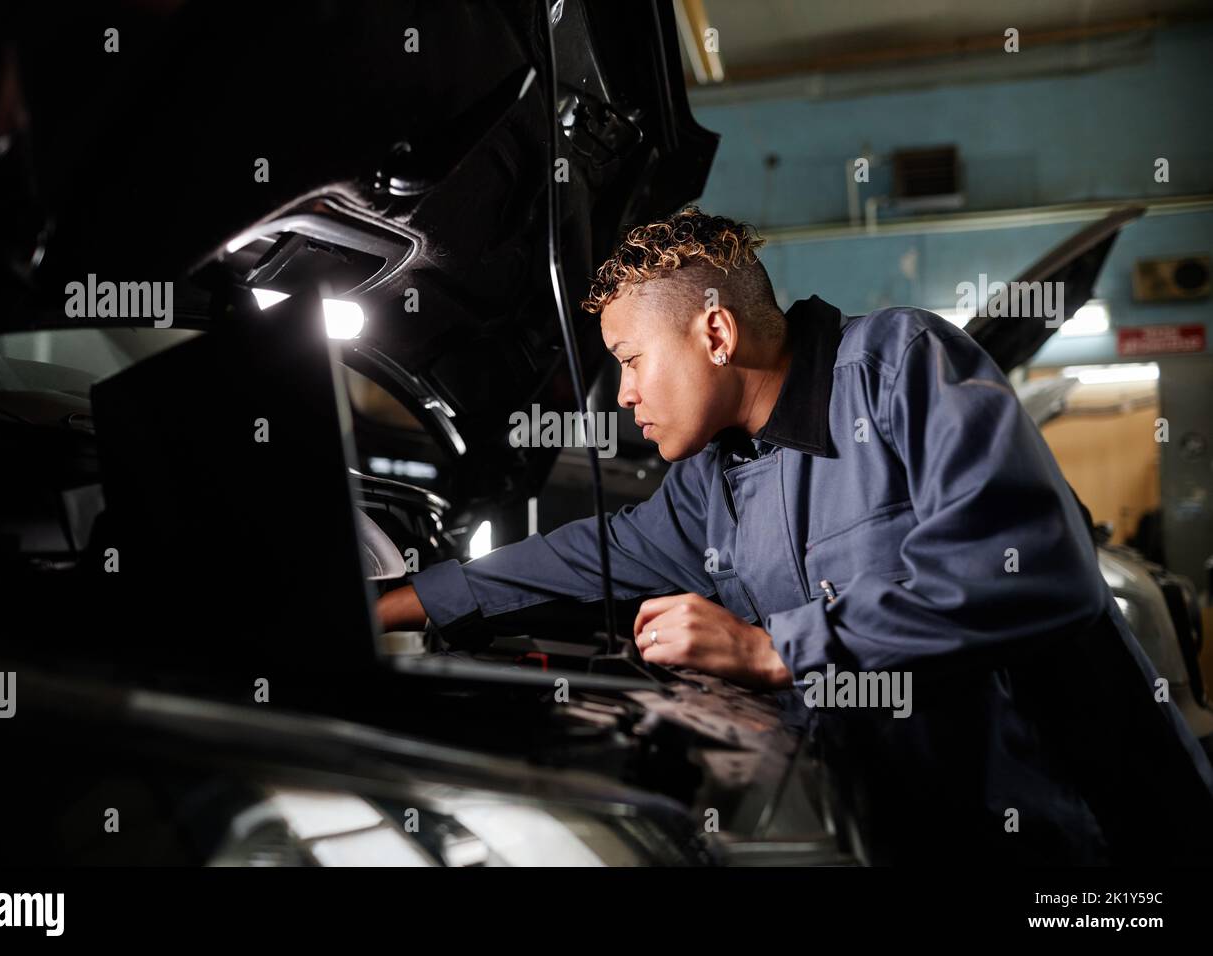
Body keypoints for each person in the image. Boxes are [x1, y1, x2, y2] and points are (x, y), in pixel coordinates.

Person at [379, 206, 1213, 863]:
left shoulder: (898, 368)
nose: (624, 395)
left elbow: (1034, 571)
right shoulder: (715, 481)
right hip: (910, 837)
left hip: (1084, 843)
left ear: (715, 333)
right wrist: (396, 602)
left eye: (630, 360)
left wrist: (771, 649)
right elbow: (584, 553)